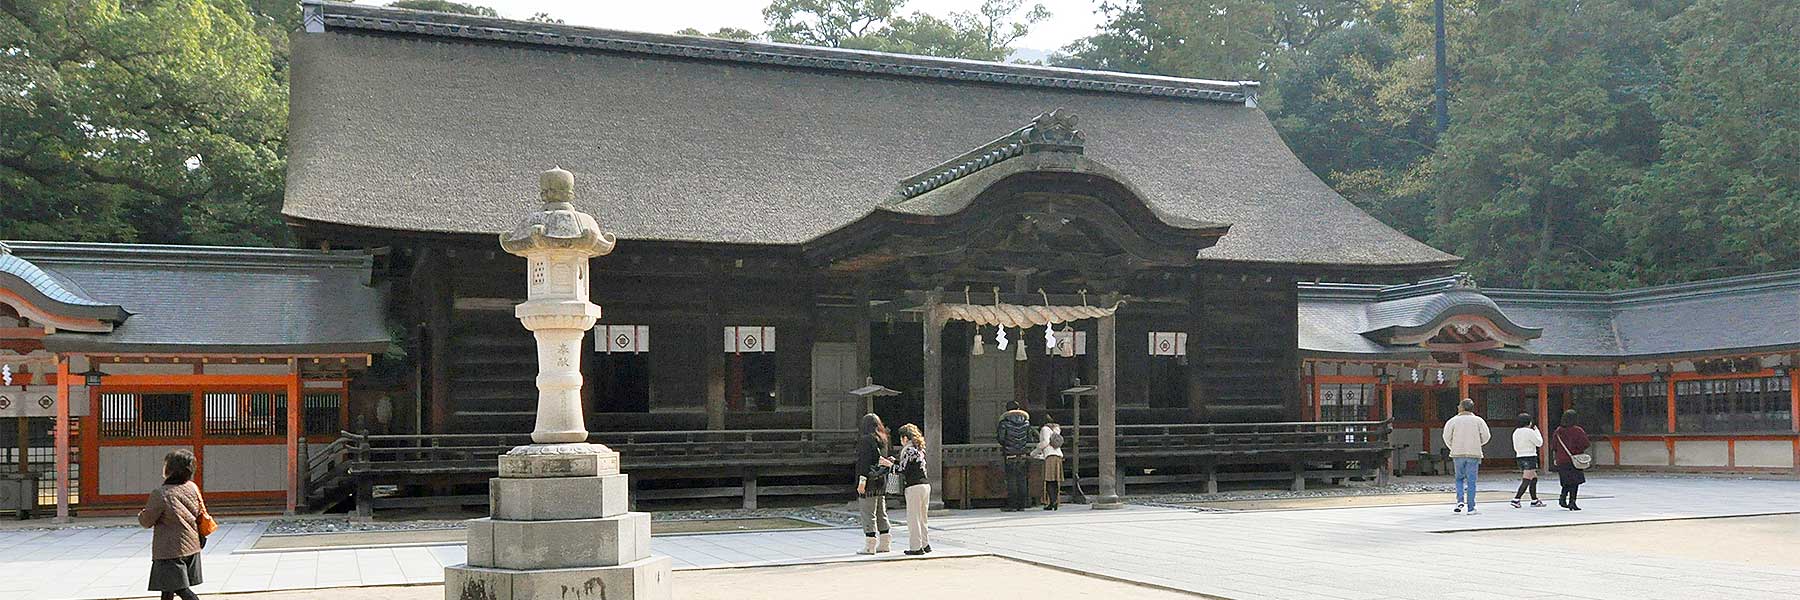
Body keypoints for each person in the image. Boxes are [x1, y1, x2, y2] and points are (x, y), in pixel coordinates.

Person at [139, 449, 205, 600]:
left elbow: (146, 521)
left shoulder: (161, 493)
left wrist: (141, 514)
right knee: (167, 590)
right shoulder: (192, 487)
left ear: (171, 469)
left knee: (182, 590)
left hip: (170, 550)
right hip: (192, 545)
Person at [1441, 398, 1491, 514]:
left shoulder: (1453, 421)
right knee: (1471, 481)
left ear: (1462, 407)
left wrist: (1452, 446)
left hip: (1457, 453)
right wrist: (1478, 443)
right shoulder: (1478, 421)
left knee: (1459, 479)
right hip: (1473, 453)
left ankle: (1459, 501)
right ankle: (1471, 507)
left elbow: (1446, 436)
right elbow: (1486, 436)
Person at [854, 413, 894, 554]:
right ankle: (885, 542)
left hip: (869, 481)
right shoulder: (884, 440)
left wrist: (861, 482)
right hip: (881, 480)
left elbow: (864, 463)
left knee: (868, 512)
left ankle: (870, 544)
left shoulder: (866, 440)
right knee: (881, 512)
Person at [892, 423, 932, 555]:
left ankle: (916, 547)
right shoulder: (919, 449)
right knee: (922, 517)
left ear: (904, 437)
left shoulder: (908, 450)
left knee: (913, 518)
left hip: (914, 486)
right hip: (925, 485)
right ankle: (925, 544)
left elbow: (902, 470)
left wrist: (890, 465)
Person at [995, 400, 1037, 512]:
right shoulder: (1026, 423)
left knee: (1011, 480)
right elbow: (1029, 438)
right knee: (1022, 479)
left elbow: (1001, 438)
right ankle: (1022, 505)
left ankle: (1012, 505)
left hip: (1009, 454)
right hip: (1022, 453)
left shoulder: (1004, 423)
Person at [1551, 409, 1590, 511]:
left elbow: (1554, 446)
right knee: (1575, 482)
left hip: (1561, 459)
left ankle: (1562, 498)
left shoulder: (1558, 431)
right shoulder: (1578, 430)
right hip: (1574, 459)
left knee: (1566, 481)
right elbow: (1586, 443)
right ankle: (1572, 502)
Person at [1510, 413, 1546, 508]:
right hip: (1529, 456)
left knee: (1533, 478)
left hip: (1520, 456)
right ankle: (1516, 499)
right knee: (1527, 479)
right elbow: (1539, 443)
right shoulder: (1529, 432)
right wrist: (1537, 431)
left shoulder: (1516, 432)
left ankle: (1534, 500)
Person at [1032, 415, 1064, 510]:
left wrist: (1034, 452)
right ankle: (1055, 501)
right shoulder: (1056, 429)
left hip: (1050, 456)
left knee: (1049, 480)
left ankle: (1051, 502)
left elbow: (1045, 442)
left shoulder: (1045, 429)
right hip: (1058, 455)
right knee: (1055, 481)